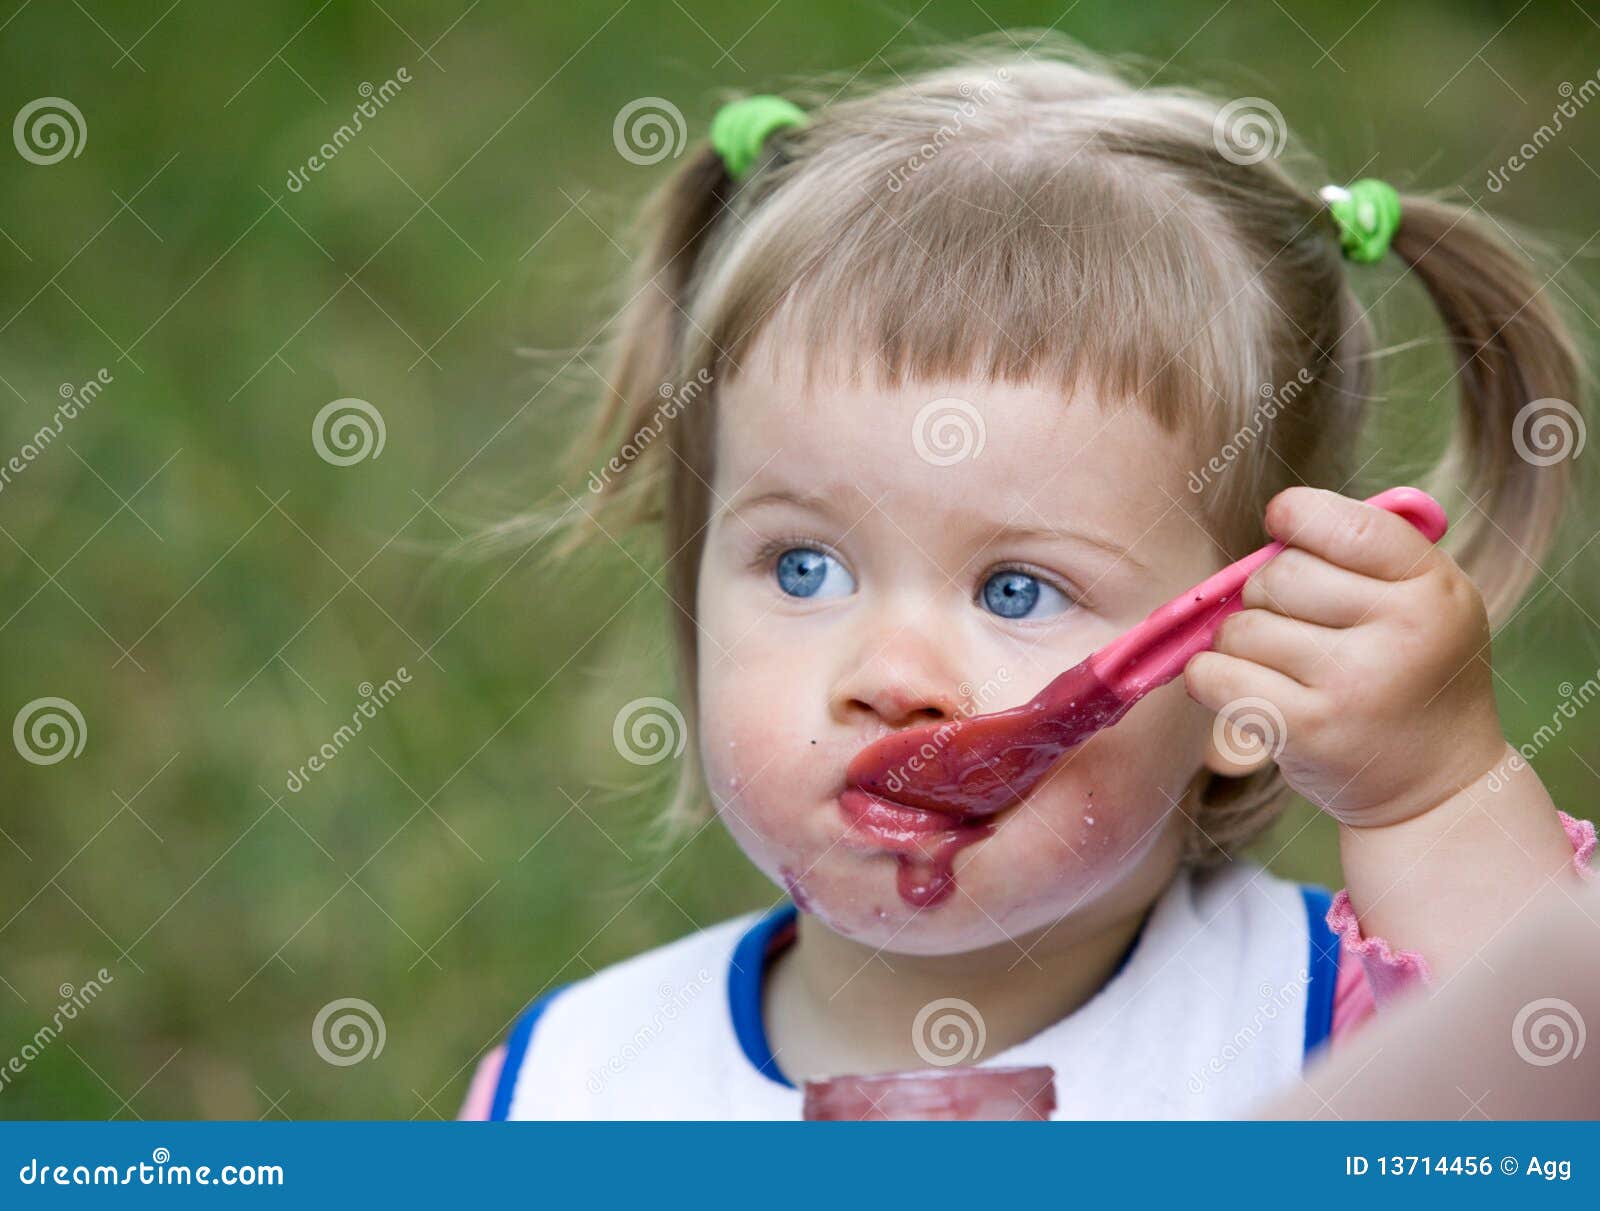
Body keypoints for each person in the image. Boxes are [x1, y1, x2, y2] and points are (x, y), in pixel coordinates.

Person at [461, 35, 1594, 1119]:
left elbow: (1561, 1078)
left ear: (1240, 659)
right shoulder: (576, 1085)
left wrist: (1433, 798)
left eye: (1016, 589)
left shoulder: (1328, 1027)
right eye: (804, 567)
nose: (891, 673)